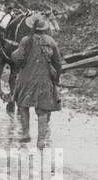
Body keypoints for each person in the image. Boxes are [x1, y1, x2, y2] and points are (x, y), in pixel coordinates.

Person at [10, 14, 63, 146]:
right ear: (44, 28)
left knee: (23, 105)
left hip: (26, 79)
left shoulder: (25, 40)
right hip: (45, 80)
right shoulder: (51, 41)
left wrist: (13, 54)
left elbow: (17, 59)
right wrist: (56, 79)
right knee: (43, 110)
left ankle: (25, 133)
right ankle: (41, 140)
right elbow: (58, 63)